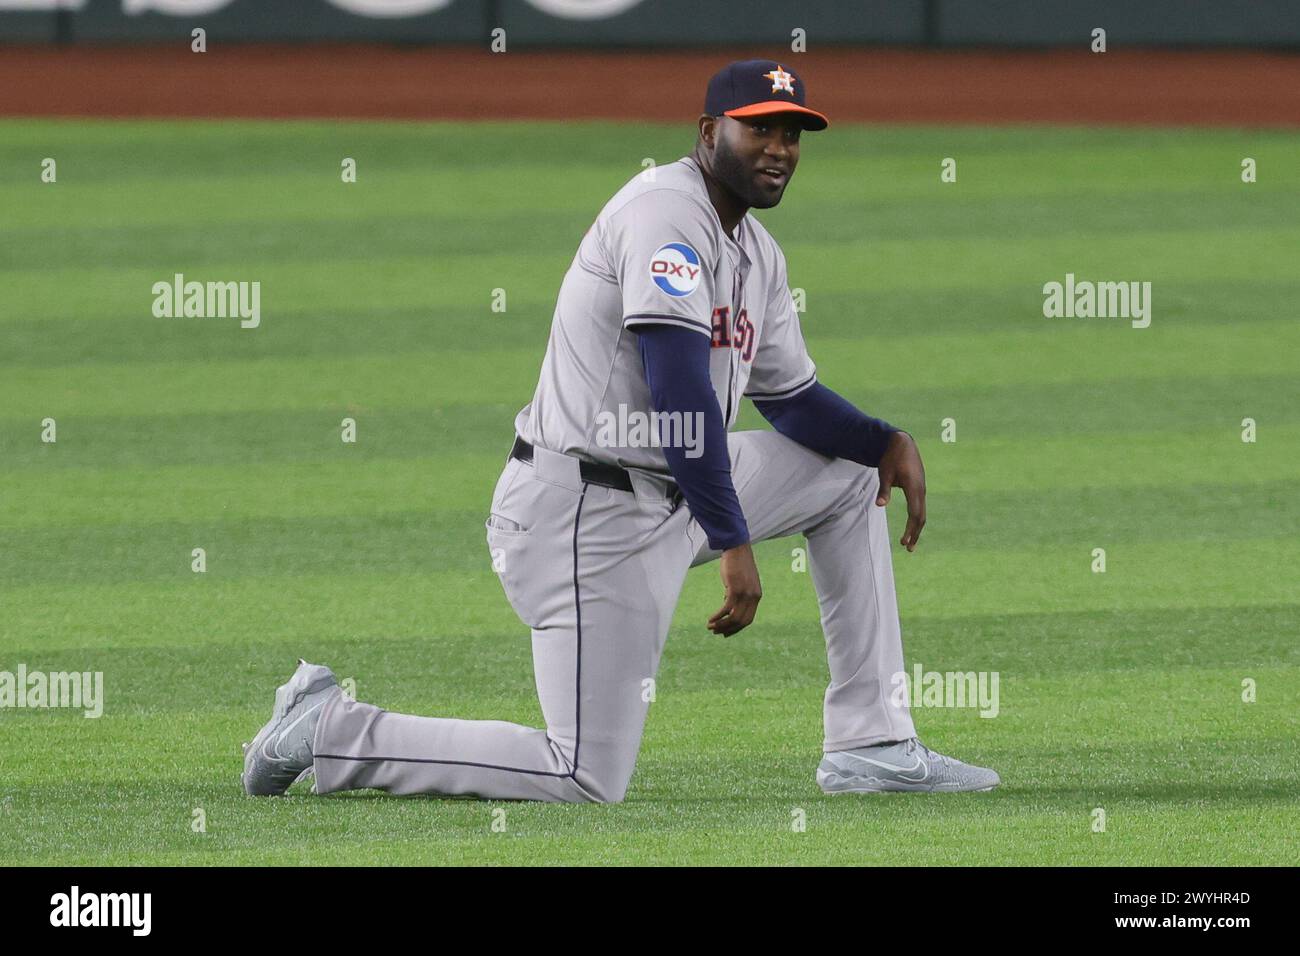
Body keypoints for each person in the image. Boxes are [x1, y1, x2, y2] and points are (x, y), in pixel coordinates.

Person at [242, 59, 1000, 802]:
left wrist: (886, 442)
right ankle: (329, 726)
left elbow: (792, 401)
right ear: (709, 132)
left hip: (669, 493)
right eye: (760, 130)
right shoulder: (665, 216)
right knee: (583, 774)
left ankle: (871, 743)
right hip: (584, 513)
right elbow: (678, 395)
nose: (780, 149)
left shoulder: (756, 254)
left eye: (794, 134)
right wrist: (732, 540)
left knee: (847, 476)